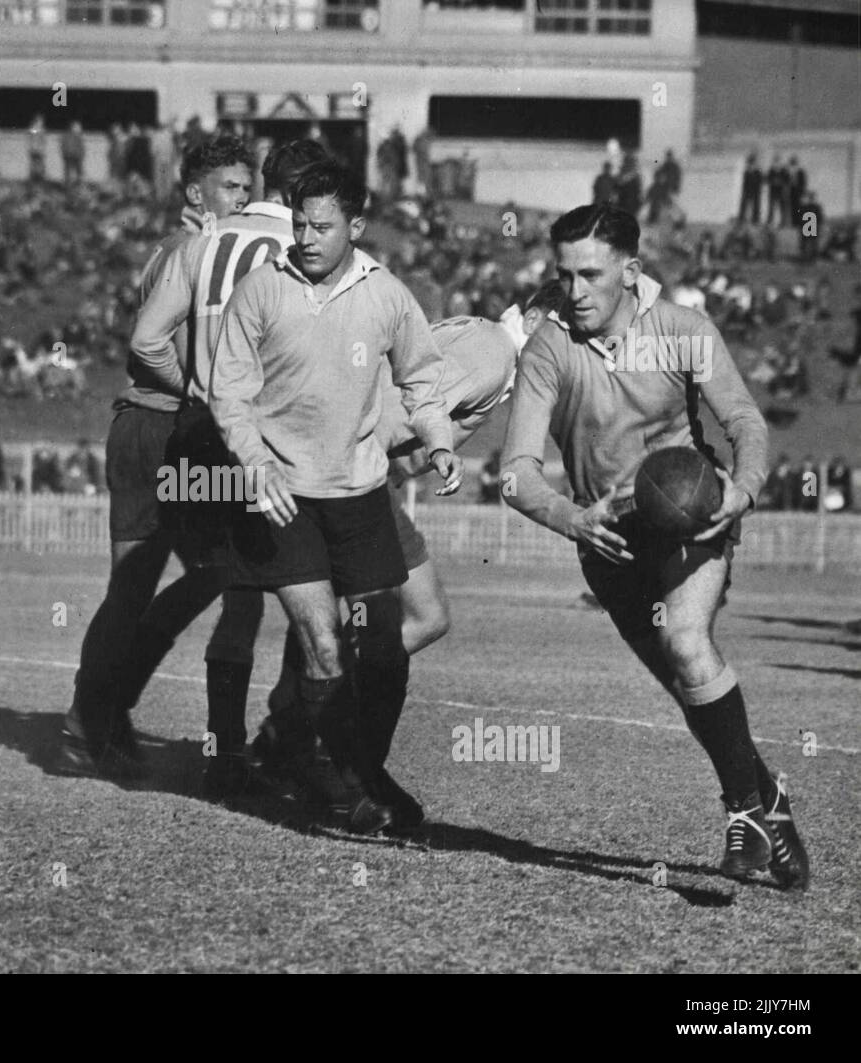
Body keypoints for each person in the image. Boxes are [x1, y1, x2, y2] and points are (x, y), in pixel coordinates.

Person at [500, 202, 809, 889]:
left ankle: (742, 815)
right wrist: (572, 518)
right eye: (565, 276)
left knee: (687, 644)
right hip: (607, 544)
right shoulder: (548, 348)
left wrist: (743, 490)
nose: (575, 291)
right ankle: (769, 802)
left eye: (591, 275)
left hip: (691, 525)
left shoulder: (683, 330)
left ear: (630, 271)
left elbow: (744, 421)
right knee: (688, 685)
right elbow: (516, 475)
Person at [209, 160, 462, 832]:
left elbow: (424, 381)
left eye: (323, 226)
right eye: (299, 224)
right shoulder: (262, 290)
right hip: (282, 495)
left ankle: (344, 766)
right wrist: (255, 463)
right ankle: (355, 788)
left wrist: (438, 442)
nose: (308, 237)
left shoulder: (387, 296)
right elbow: (227, 391)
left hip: (359, 494)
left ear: (357, 224)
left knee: (377, 651)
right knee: (322, 643)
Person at [54, 134, 255, 778]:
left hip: (167, 429)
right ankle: (93, 716)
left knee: (210, 572)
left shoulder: (200, 249)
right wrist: (198, 387)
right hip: (158, 428)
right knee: (158, 582)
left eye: (250, 189)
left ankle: (98, 711)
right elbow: (148, 347)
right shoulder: (189, 249)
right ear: (195, 193)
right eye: (232, 187)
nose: (244, 199)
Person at [738, 154, 762, 224]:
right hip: (747, 191)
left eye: (752, 163)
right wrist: (744, 191)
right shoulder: (746, 172)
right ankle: (741, 219)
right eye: (750, 163)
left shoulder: (757, 172)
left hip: (756, 191)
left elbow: (760, 182)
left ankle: (755, 220)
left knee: (756, 206)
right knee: (744, 206)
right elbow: (744, 183)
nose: (751, 165)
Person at [60, 121, 85, 187]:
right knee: (69, 172)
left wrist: (82, 154)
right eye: (77, 127)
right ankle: (68, 185)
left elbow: (81, 147)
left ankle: (78, 184)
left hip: (77, 157)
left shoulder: (78, 136)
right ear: (73, 127)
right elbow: (64, 146)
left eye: (79, 127)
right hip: (70, 156)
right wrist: (65, 153)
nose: (79, 129)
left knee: (79, 172)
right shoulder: (68, 135)